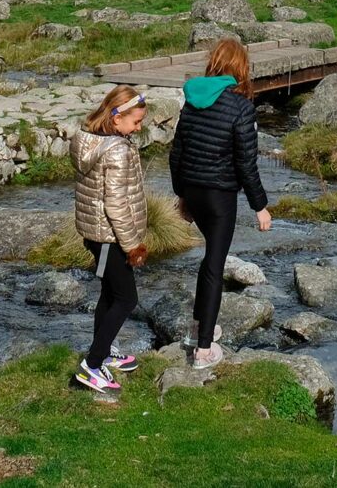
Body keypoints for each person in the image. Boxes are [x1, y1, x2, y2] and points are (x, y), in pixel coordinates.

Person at [169, 36, 272, 368]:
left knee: (210, 259)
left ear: (213, 63)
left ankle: (199, 326)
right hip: (220, 197)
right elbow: (246, 163)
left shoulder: (192, 99)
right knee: (215, 264)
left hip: (194, 192)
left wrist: (182, 196)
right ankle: (203, 350)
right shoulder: (241, 106)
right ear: (240, 68)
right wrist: (260, 206)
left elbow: (176, 154)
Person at [70, 84, 150, 393]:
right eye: (135, 122)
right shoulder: (116, 150)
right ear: (116, 118)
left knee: (110, 293)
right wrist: (132, 245)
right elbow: (116, 205)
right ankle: (91, 365)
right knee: (127, 299)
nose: (139, 127)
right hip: (111, 236)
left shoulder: (91, 140)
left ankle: (106, 350)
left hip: (98, 233)